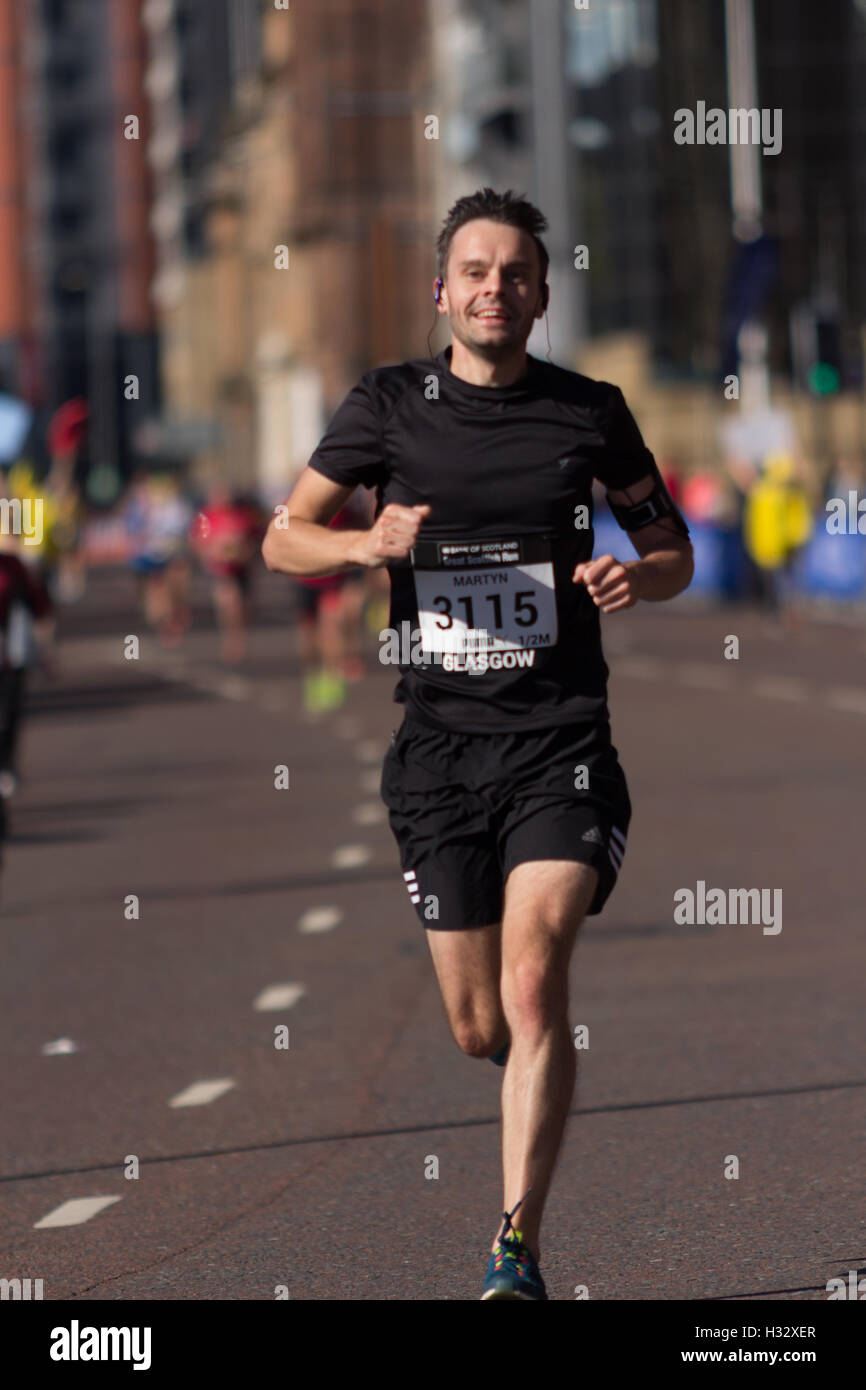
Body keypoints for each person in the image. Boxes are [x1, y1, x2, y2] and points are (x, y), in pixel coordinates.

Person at [262, 187, 694, 1300]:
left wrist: (632, 574)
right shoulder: (385, 408)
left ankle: (516, 1249)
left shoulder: (589, 411)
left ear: (540, 295)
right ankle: (531, 1083)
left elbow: (672, 547)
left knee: (536, 981)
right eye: (474, 271)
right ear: (442, 290)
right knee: (476, 1025)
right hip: (439, 752)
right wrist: (363, 545)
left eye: (514, 274)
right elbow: (280, 538)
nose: (493, 288)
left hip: (561, 743)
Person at [189, 484, 264, 662]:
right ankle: (232, 640)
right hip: (220, 570)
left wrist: (245, 551)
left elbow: (257, 539)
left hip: (242, 569)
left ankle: (239, 634)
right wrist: (213, 552)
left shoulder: (243, 516)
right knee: (229, 603)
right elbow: (197, 542)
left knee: (243, 609)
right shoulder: (206, 517)